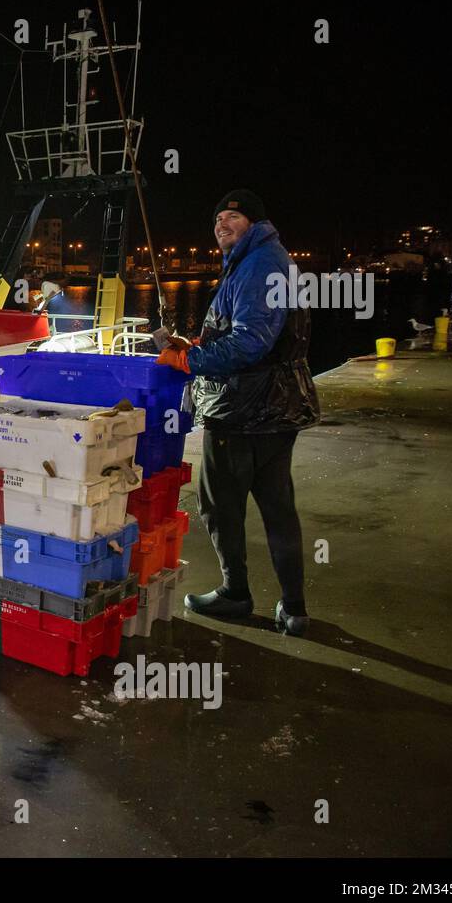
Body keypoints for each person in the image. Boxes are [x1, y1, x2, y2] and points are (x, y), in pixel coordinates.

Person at [154, 189, 320, 636]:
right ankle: (295, 608)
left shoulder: (260, 264)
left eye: (233, 217)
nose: (221, 224)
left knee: (220, 504)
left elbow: (250, 343)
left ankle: (235, 594)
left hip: (245, 410)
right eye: (217, 218)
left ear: (255, 223)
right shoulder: (266, 260)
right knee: (278, 507)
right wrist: (197, 346)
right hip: (276, 407)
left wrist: (187, 361)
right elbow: (259, 336)